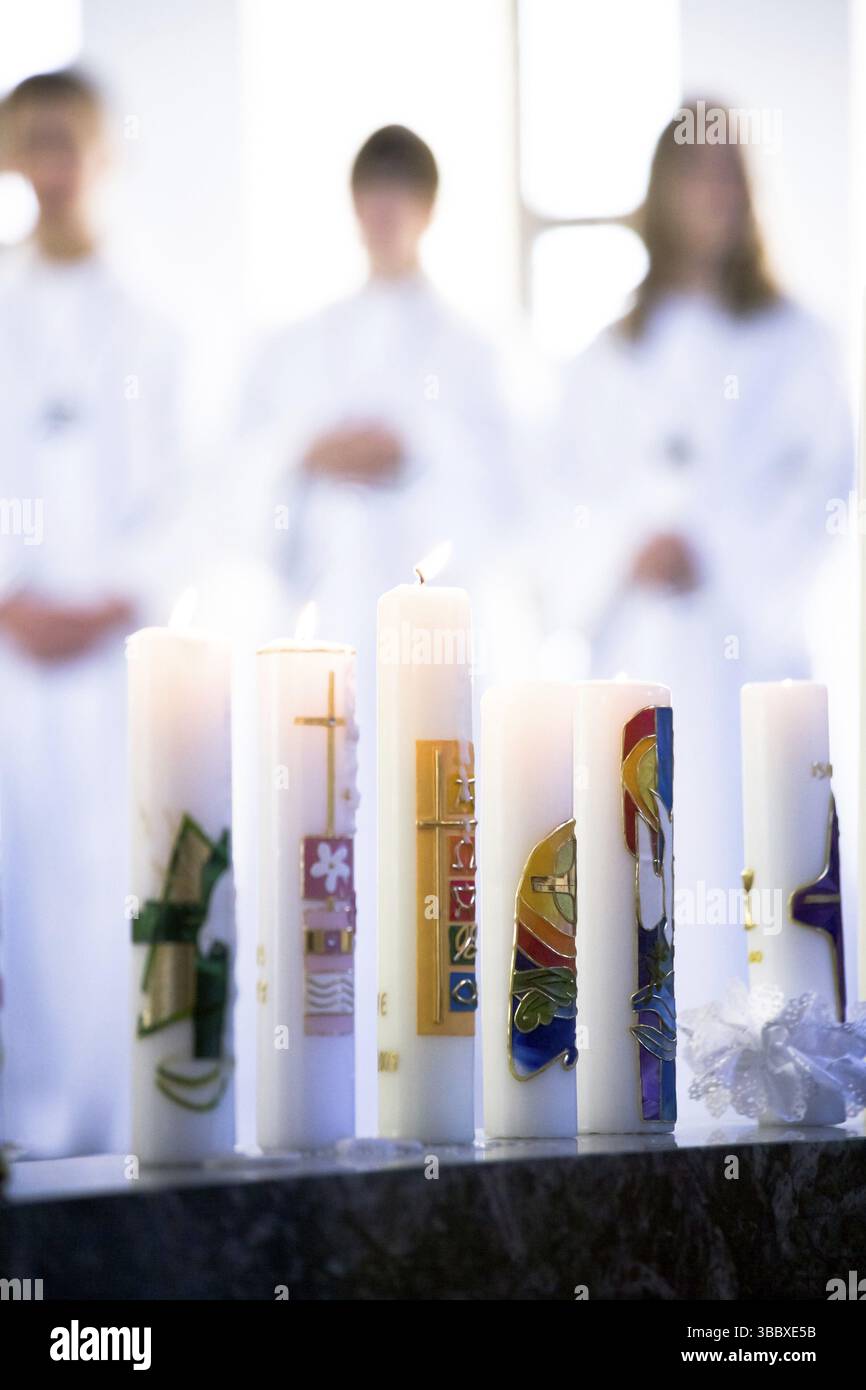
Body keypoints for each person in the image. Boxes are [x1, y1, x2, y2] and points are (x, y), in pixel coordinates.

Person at [556, 103, 853, 1051]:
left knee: (752, 864)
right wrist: (622, 547)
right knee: (648, 873)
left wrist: (715, 545)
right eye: (697, 172)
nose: (716, 192)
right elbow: (557, 501)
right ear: (661, 191)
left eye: (732, 172)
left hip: (746, 655)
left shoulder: (795, 343)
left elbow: (827, 484)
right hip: (644, 644)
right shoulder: (609, 354)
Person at [237, 125, 512, 1133]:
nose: (385, 214)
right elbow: (246, 476)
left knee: (427, 850)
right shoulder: (302, 343)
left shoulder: (469, 350)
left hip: (430, 654)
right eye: (371, 196)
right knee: (325, 847)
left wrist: (411, 447)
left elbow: (504, 494)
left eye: (403, 197)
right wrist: (309, 454)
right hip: (327, 641)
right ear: (355, 207)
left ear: (426, 209)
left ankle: (435, 1090)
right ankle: (325, 1093)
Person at [0, 69, 184, 1155]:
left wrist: (121, 589)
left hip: (121, 658)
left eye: (73, 141)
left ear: (106, 155)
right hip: (14, 662)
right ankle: (27, 1132)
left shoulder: (153, 323)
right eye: (34, 142)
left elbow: (193, 485)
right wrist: (13, 599)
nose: (54, 165)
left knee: (128, 892)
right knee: (22, 894)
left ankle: (125, 1135)